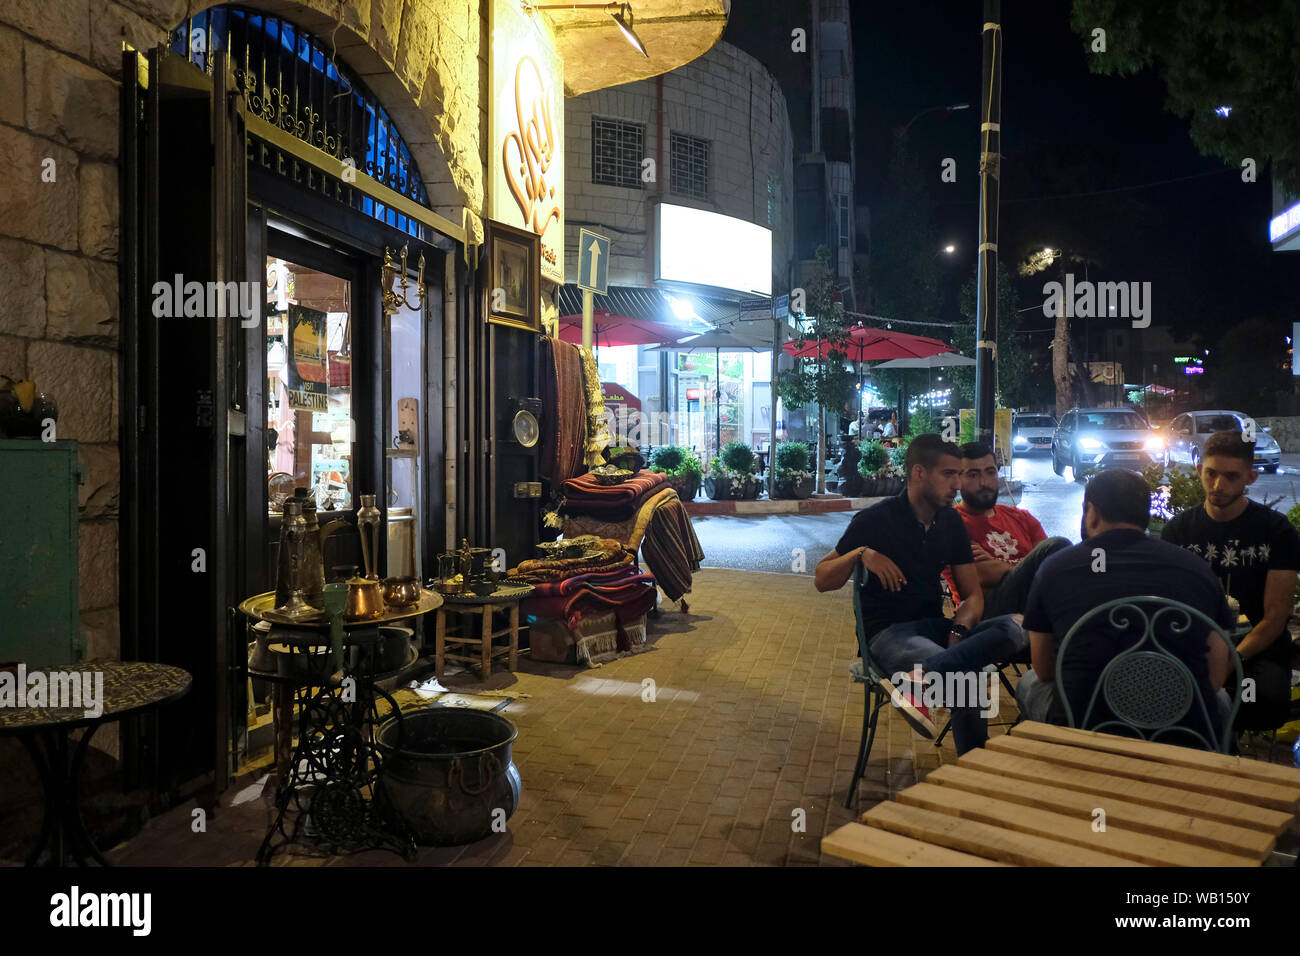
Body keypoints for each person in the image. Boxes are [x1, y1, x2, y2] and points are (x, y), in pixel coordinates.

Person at [814, 434, 1027, 754]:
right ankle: (975, 770)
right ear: (918, 473)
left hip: (937, 626)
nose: (957, 484)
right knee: (965, 679)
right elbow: (822, 578)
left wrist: (958, 630)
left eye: (958, 474)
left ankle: (921, 679)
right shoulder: (877, 519)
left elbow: (972, 597)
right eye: (948, 474)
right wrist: (860, 554)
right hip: (888, 634)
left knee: (1017, 625)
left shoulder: (950, 522)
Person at [1017, 469, 1235, 743]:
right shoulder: (1197, 569)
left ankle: (1051, 768)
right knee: (1222, 699)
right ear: (1146, 513)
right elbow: (1215, 677)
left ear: (1091, 512)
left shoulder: (1054, 568)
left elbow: (1045, 668)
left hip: (1083, 728)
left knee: (1028, 682)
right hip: (1181, 731)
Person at [1160, 430, 1300, 733]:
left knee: (1260, 697)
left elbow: (1275, 617)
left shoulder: (1277, 532)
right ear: (1199, 470)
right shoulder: (1177, 532)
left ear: (1250, 477)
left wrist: (1231, 659)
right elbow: (1170, 605)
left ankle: (1229, 756)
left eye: (1231, 477)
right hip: (1194, 645)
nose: (1218, 485)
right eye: (1211, 473)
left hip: (1255, 652)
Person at [943, 442, 1071, 619]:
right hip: (985, 612)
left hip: (1033, 605)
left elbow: (1050, 566)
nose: (984, 482)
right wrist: (1029, 566)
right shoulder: (952, 524)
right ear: (958, 479)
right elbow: (979, 575)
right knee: (1057, 546)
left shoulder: (1021, 518)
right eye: (973, 475)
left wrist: (1003, 567)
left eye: (990, 472)